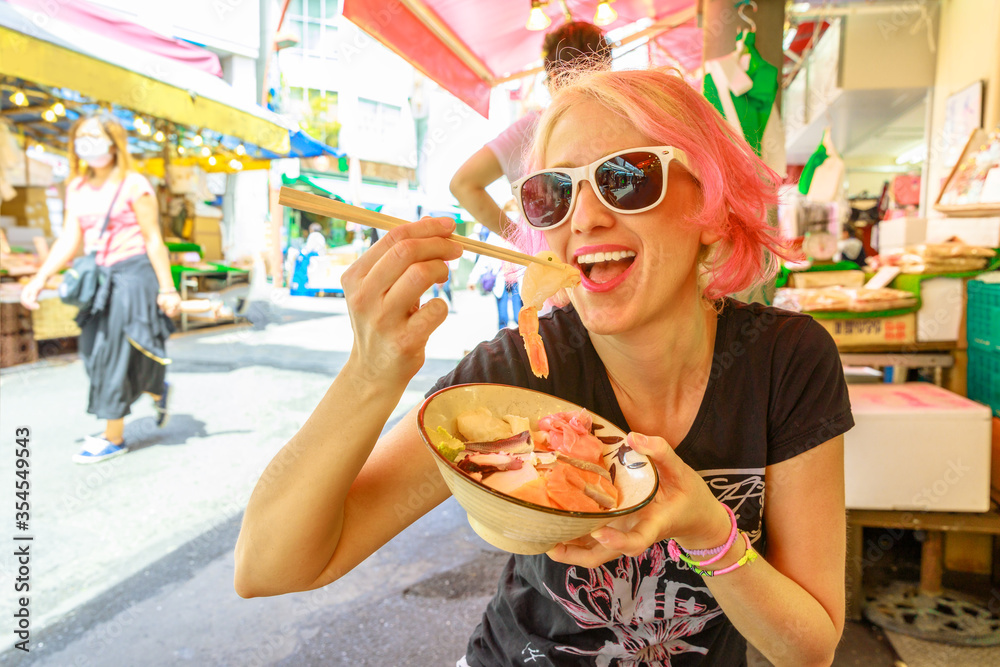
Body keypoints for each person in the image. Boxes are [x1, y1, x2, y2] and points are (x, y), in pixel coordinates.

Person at [235, 68, 852, 665]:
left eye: (627, 178)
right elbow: (271, 565)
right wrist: (371, 373)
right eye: (553, 193)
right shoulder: (518, 370)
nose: (583, 218)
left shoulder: (785, 362)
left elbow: (809, 648)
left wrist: (710, 534)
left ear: (711, 210)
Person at [21, 115, 180, 464]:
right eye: (81, 137)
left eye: (94, 137)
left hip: (134, 274)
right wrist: (39, 277)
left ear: (113, 143)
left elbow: (154, 239)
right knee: (93, 353)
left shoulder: (134, 185)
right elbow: (69, 238)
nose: (87, 144)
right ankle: (156, 386)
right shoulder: (76, 186)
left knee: (114, 353)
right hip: (100, 278)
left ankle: (114, 437)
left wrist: (167, 288)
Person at [450, 21, 612, 238]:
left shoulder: (533, 127)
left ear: (553, 78)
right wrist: (520, 239)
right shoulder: (533, 128)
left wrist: (519, 238)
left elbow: (463, 184)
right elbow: (462, 184)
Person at [468, 230, 523, 329]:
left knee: (519, 317)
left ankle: (523, 341)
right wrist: (473, 279)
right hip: (501, 280)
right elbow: (483, 259)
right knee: (503, 317)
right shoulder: (494, 237)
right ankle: (503, 341)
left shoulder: (519, 235)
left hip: (517, 281)